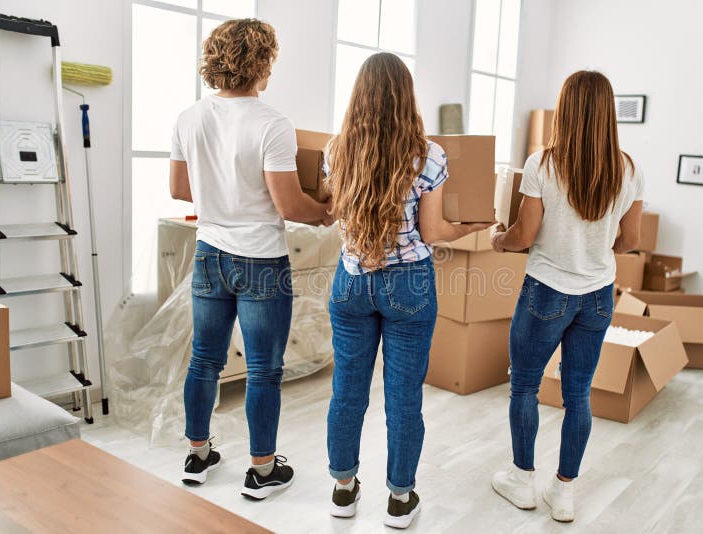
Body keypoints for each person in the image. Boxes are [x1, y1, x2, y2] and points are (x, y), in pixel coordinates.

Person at [323, 52, 492, 529]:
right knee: (403, 397)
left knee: (347, 391)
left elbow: (336, 212)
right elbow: (435, 231)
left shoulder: (337, 150)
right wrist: (471, 228)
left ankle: (342, 489)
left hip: (352, 282)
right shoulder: (428, 154)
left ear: (360, 96)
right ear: (405, 96)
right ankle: (400, 498)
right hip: (409, 285)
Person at [169, 19, 332, 498]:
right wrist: (323, 212)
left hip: (209, 254)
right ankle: (263, 471)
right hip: (261, 260)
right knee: (264, 369)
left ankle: (198, 455)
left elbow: (180, 189)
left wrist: (222, 194)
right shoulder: (271, 124)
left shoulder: (189, 117)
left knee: (204, 360)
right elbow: (289, 206)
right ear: (262, 62)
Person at [489, 70, 643, 523]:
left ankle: (522, 481)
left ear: (567, 110)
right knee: (578, 395)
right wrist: (596, 246)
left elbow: (523, 236)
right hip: (597, 295)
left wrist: (499, 239)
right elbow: (629, 240)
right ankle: (565, 491)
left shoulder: (543, 165)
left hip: (546, 292)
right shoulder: (628, 168)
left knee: (525, 386)